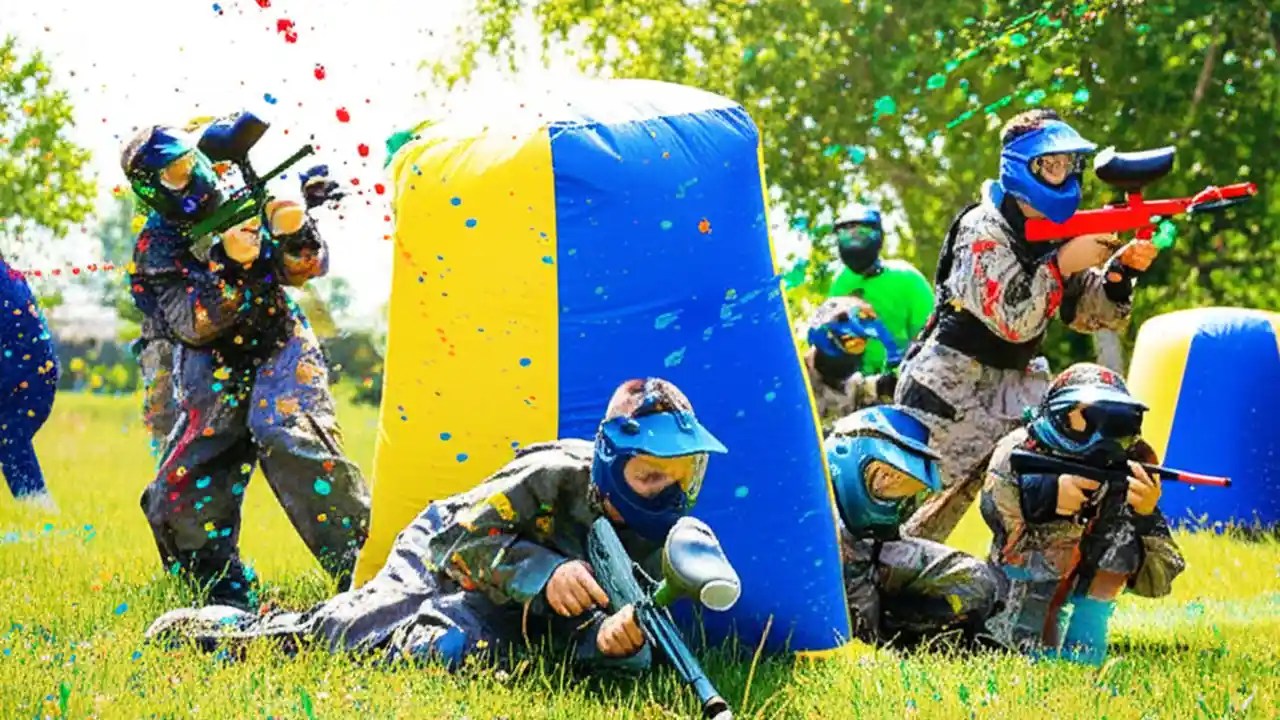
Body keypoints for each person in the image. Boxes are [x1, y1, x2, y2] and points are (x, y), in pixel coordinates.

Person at [144, 377, 728, 672]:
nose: (671, 491)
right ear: (611, 460)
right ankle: (232, 631)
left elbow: (601, 631)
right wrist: (547, 574)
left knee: (448, 650)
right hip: (444, 554)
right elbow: (458, 540)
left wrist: (607, 644)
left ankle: (416, 636)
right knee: (357, 624)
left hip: (507, 604)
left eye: (684, 474)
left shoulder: (665, 541)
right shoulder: (553, 474)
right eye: (652, 475)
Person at [121, 115, 370, 610]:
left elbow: (306, 269)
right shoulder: (158, 245)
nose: (191, 179)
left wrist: (295, 228)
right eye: (174, 175)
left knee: (286, 435)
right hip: (209, 361)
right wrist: (233, 260)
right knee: (180, 492)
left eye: (190, 163)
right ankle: (224, 595)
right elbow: (192, 322)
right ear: (154, 189)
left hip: (280, 341)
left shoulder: (238, 190)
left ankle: (370, 575)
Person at [893, 109, 1159, 543]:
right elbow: (1012, 319)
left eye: (1066, 166)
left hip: (1017, 385)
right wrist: (1062, 264)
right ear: (1021, 167)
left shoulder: (1052, 231)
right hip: (950, 389)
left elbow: (1085, 314)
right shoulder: (982, 229)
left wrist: (1118, 273)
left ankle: (1034, 591)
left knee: (1059, 480)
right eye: (1048, 165)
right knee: (912, 517)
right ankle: (870, 595)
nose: (1060, 175)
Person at [980, 363, 1185, 664]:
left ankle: (1087, 634)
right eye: (1090, 417)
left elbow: (1161, 573)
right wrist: (1047, 499)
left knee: (1123, 536)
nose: (1103, 436)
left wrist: (1146, 514)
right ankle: (1031, 640)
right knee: (1015, 637)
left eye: (1118, 422)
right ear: (1060, 416)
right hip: (1019, 579)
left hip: (1084, 576)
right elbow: (1001, 521)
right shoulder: (1018, 450)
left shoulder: (1134, 460)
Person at [825, 405, 998, 648]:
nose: (893, 494)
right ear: (845, 454)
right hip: (839, 580)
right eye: (885, 478)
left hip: (878, 553)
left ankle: (908, 633)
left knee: (974, 578)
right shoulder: (808, 505)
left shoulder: (876, 530)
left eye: (904, 488)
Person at [825, 205, 935, 356]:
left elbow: (929, 337)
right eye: (844, 234)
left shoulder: (907, 279)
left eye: (861, 233)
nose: (853, 240)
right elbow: (832, 335)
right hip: (854, 376)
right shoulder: (841, 282)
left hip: (905, 372)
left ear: (879, 236)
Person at [0, 252, 59, 508]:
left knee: (11, 440)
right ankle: (37, 508)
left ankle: (38, 508)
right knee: (11, 440)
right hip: (34, 371)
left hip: (23, 372)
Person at [801, 295, 903, 427]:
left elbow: (857, 389)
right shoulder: (796, 383)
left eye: (862, 344)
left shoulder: (847, 381)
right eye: (853, 344)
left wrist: (882, 386)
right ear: (827, 340)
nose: (858, 354)